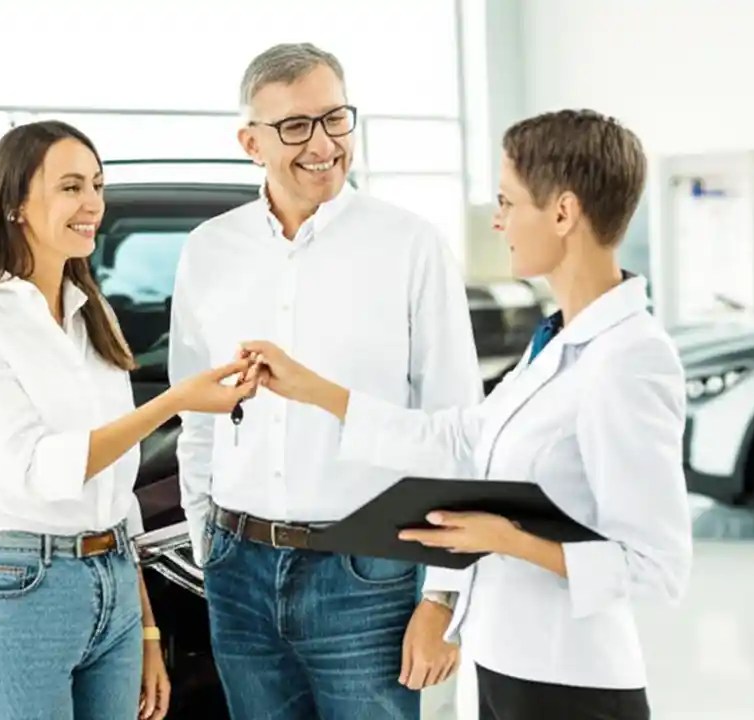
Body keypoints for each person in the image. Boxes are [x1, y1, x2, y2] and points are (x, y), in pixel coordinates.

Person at [241, 109, 692, 720]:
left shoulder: (630, 358)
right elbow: (455, 436)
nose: (499, 221)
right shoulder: (558, 344)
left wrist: (508, 540)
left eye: (507, 202)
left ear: (562, 214)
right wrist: (312, 389)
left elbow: (657, 568)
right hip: (508, 663)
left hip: (574, 685)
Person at [167, 43, 482, 719]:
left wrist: (443, 598)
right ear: (250, 142)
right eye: (296, 127)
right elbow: (198, 416)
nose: (324, 144)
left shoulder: (410, 245)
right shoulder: (209, 252)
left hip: (366, 572)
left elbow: (458, 430)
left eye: (336, 119)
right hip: (238, 565)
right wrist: (206, 540)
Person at [0, 120, 258, 720]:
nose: (93, 205)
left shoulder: (90, 315)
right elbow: (38, 471)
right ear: (14, 205)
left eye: (98, 186)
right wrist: (174, 402)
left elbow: (112, 496)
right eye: (71, 187)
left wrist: (147, 630)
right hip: (21, 587)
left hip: (111, 580)